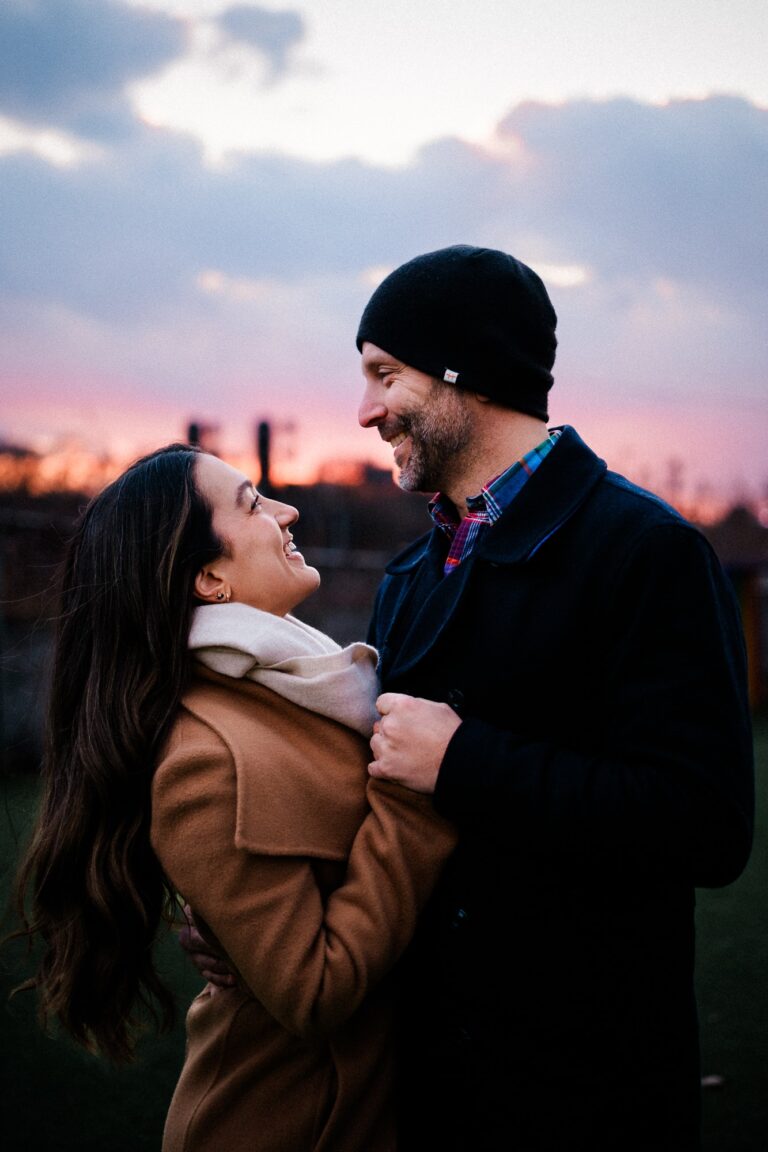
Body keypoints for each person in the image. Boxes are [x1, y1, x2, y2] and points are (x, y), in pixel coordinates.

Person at [352, 245, 755, 1151]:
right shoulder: (409, 575)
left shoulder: (646, 552)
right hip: (421, 1092)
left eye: (385, 374)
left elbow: (706, 824)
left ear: (467, 372)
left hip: (586, 1100)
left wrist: (466, 762)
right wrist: (261, 923)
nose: (366, 411)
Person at [14, 443, 456, 1152]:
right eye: (253, 504)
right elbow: (313, 992)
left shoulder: (299, 680)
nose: (288, 511)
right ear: (211, 579)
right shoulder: (203, 761)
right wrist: (415, 797)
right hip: (289, 1125)